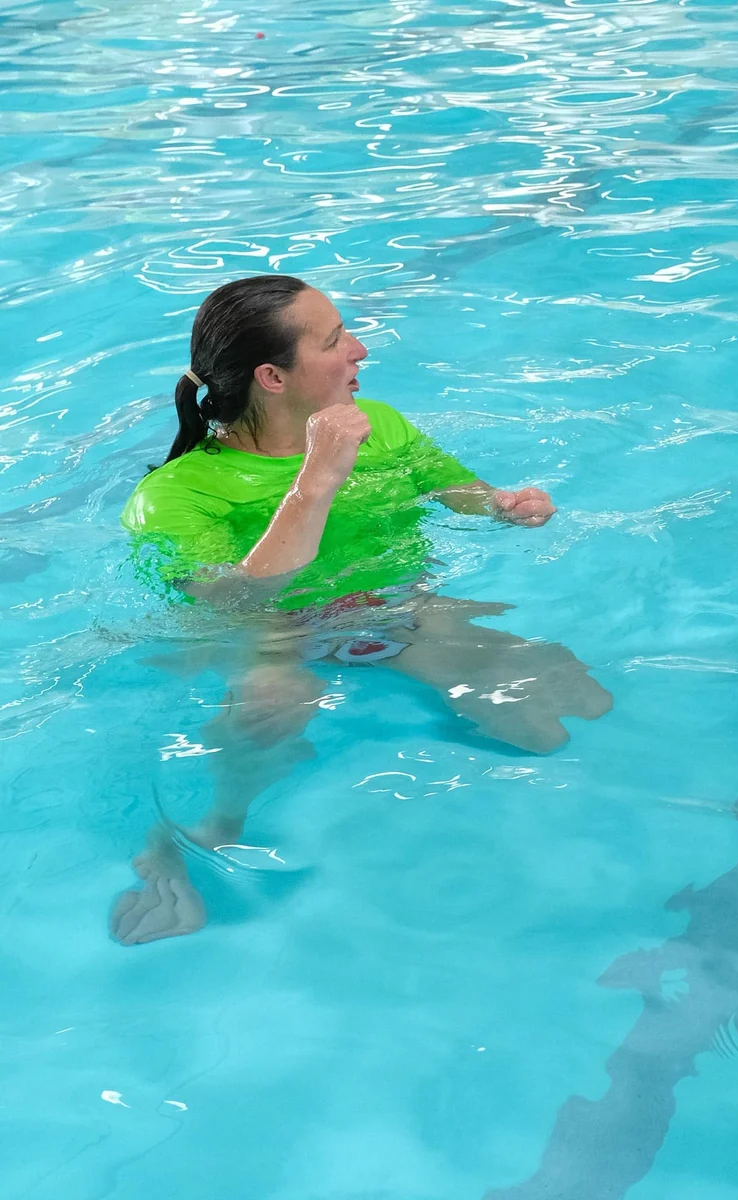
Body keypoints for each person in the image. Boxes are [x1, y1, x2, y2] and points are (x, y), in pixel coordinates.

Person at [113, 275, 612, 945]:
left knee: (555, 723)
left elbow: (455, 488)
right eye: (334, 339)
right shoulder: (175, 495)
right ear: (272, 376)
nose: (361, 349)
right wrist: (316, 479)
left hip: (394, 607)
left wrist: (503, 506)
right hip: (274, 631)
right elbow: (232, 600)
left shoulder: (384, 428)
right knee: (274, 710)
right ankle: (196, 833)